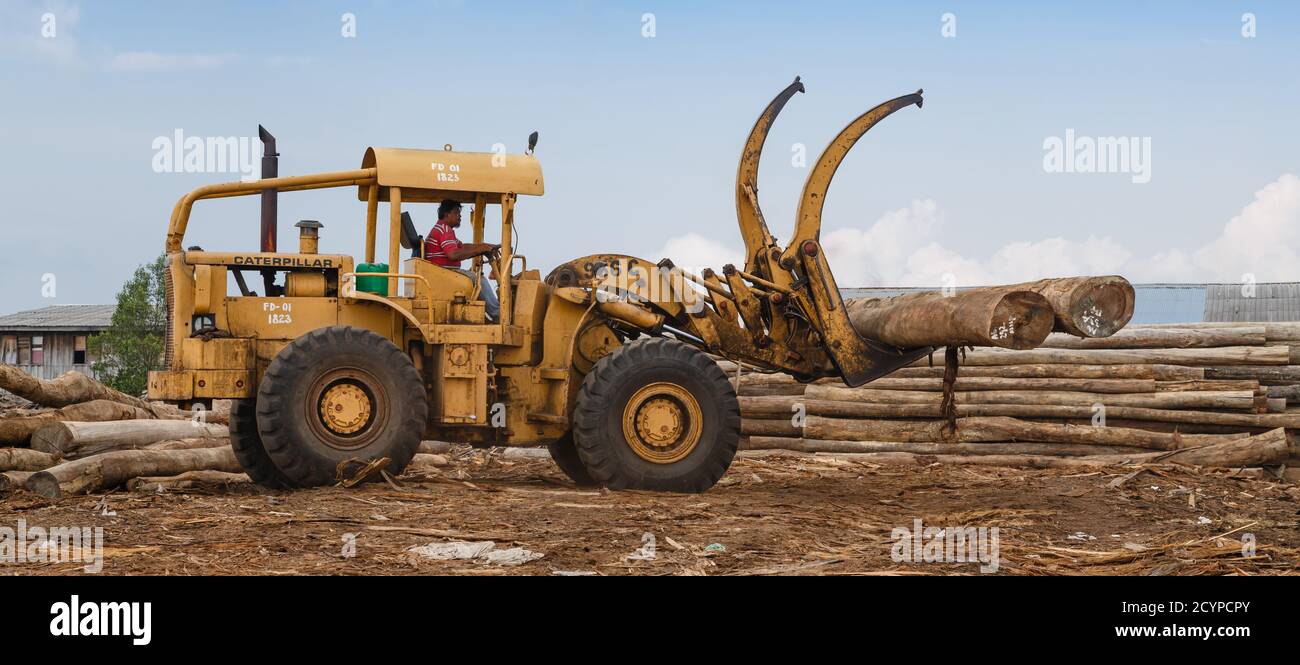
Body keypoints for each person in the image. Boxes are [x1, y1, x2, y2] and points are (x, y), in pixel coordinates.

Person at [423, 199, 501, 320]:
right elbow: (453, 254)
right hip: (444, 273)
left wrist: (486, 246)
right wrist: (479, 250)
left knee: (474, 276)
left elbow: (462, 247)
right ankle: (498, 314)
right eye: (456, 212)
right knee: (478, 280)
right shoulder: (444, 230)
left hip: (442, 272)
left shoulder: (442, 229)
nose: (459, 216)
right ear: (446, 214)